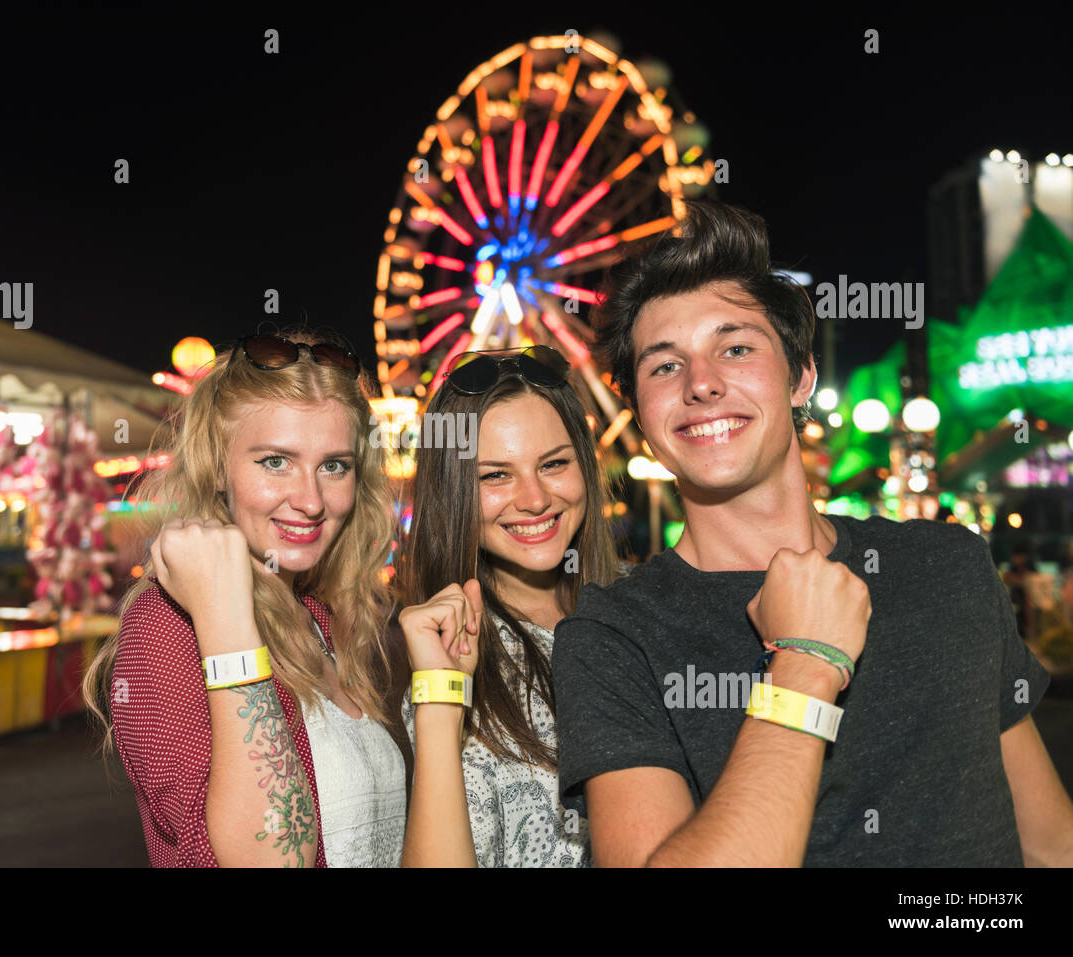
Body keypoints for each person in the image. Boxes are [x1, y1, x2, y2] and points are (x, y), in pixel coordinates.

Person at [552, 200, 1073, 866]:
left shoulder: (950, 566)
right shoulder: (613, 636)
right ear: (639, 413)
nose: (701, 384)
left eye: (735, 347)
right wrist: (805, 662)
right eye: (663, 366)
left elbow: (1052, 845)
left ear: (802, 377)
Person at [82, 329, 407, 867]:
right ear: (216, 469)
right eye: (275, 461)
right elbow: (274, 859)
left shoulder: (322, 619)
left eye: (334, 465)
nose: (310, 500)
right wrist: (221, 615)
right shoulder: (167, 627)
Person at [394, 346, 621, 867]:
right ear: (454, 491)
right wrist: (441, 695)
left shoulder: (639, 614)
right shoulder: (450, 658)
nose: (535, 498)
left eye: (554, 464)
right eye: (495, 475)